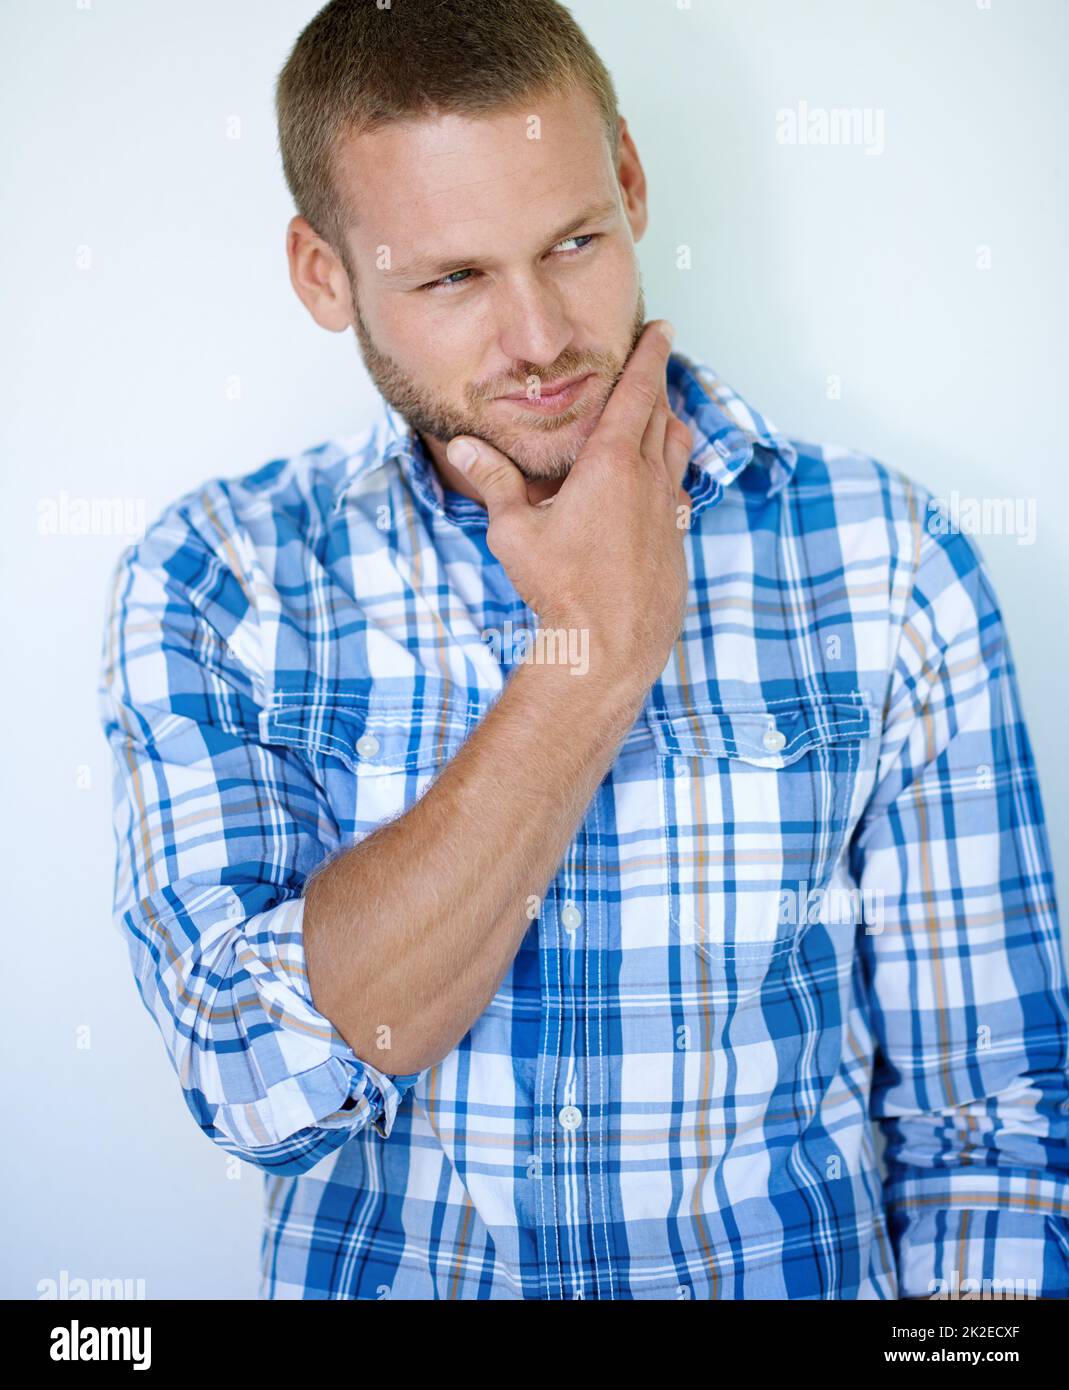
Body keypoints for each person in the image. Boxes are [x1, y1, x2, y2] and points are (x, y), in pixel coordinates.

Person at [98, 0, 1069, 1300]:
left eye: (570, 241)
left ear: (628, 180)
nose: (542, 336)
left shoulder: (885, 555)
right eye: (451, 278)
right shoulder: (217, 577)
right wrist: (591, 657)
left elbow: (992, 1117)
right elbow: (258, 1090)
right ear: (323, 273)